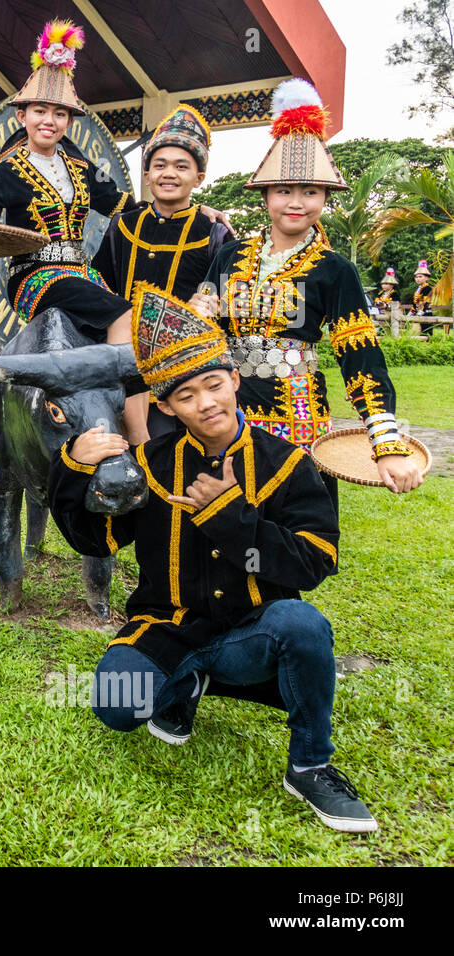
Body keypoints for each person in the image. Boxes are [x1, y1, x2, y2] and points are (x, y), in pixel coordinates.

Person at [50, 283, 378, 832]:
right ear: (165, 407)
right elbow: (95, 541)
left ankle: (310, 766)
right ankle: (183, 683)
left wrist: (229, 516)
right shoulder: (150, 464)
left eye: (213, 383)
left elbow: (314, 562)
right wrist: (74, 469)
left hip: (254, 628)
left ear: (234, 379)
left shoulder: (291, 463)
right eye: (185, 396)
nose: (206, 403)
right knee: (115, 703)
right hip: (167, 624)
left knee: (301, 624)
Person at [0, 20, 227, 444]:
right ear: (22, 114)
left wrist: (197, 206)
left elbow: (130, 207)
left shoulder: (81, 168)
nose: (50, 120)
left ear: (69, 120)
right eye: (40, 111)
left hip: (83, 276)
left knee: (129, 320)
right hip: (34, 277)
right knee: (126, 316)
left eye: (59, 113)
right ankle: (140, 439)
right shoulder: (6, 170)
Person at [191, 78, 424, 501]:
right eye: (284, 191)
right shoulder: (229, 256)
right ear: (265, 195)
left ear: (325, 196)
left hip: (296, 415)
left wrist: (386, 443)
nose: (296, 202)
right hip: (226, 409)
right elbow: (201, 323)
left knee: (293, 522)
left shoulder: (336, 270)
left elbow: (362, 357)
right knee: (222, 516)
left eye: (310, 191)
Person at [91, 104, 233, 437]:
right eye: (160, 165)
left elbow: (229, 298)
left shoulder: (214, 232)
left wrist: (216, 308)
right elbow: (100, 287)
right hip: (125, 368)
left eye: (182, 166)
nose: (169, 173)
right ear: (147, 174)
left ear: (199, 177)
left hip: (188, 372)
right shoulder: (123, 226)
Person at [411, 260, 434, 334]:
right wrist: (413, 311)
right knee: (416, 331)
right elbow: (415, 301)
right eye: (416, 277)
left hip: (425, 312)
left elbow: (427, 301)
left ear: (426, 278)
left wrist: (422, 311)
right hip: (417, 312)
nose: (418, 279)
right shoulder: (418, 289)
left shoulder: (428, 288)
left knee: (426, 331)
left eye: (420, 277)